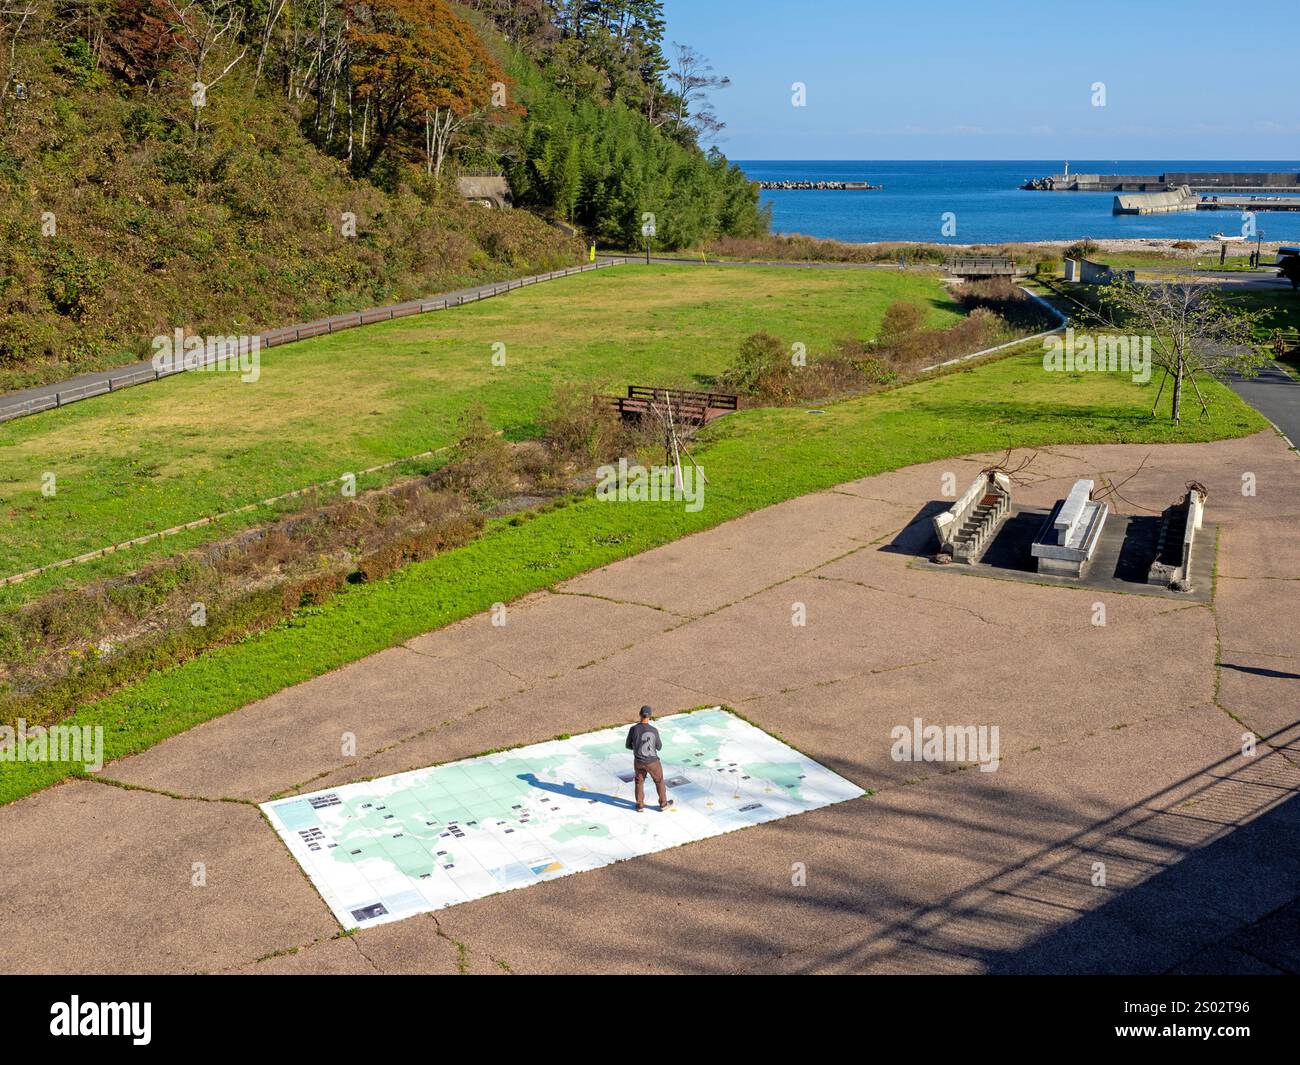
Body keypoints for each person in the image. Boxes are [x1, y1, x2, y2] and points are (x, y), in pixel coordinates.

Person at [626, 706, 673, 812]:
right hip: (652, 762)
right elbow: (659, 747)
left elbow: (628, 745)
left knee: (639, 782)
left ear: (639, 714)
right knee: (659, 781)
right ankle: (663, 804)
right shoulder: (654, 730)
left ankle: (640, 805)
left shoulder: (633, 729)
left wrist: (636, 747)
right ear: (650, 716)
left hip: (638, 761)